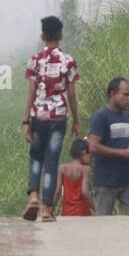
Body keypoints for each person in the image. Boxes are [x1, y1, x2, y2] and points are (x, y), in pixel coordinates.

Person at [23, 15, 80, 222]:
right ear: (61, 36)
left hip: (39, 116)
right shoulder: (68, 61)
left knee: (36, 156)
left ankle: (33, 197)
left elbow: (30, 92)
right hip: (59, 118)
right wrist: (76, 120)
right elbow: (72, 95)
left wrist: (26, 121)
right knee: (52, 160)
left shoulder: (35, 61)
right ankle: (47, 209)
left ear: (42, 36)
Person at [88, 76, 129, 216]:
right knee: (103, 223)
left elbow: (127, 144)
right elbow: (93, 147)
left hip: (126, 181)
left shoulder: (128, 117)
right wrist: (123, 153)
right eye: (126, 94)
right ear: (113, 94)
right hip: (105, 182)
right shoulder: (101, 116)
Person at [56, 139, 94, 217]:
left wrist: (50, 210)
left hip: (66, 212)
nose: (90, 157)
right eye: (89, 154)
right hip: (82, 212)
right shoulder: (85, 169)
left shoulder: (62, 168)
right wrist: (94, 208)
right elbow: (84, 191)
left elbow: (57, 191)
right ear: (83, 153)